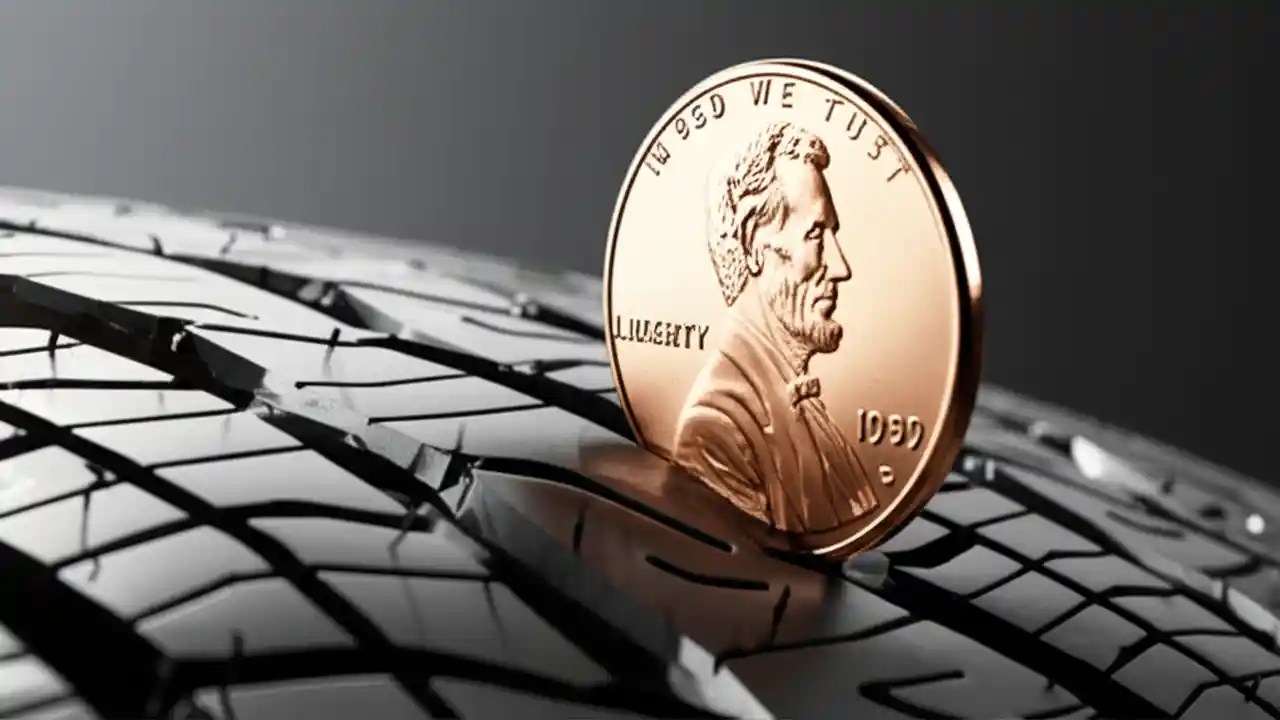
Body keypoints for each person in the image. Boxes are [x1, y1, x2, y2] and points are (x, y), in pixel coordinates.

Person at [672, 121, 878, 534]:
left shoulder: (802, 403)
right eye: (816, 234)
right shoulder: (716, 430)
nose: (841, 269)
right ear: (753, 244)